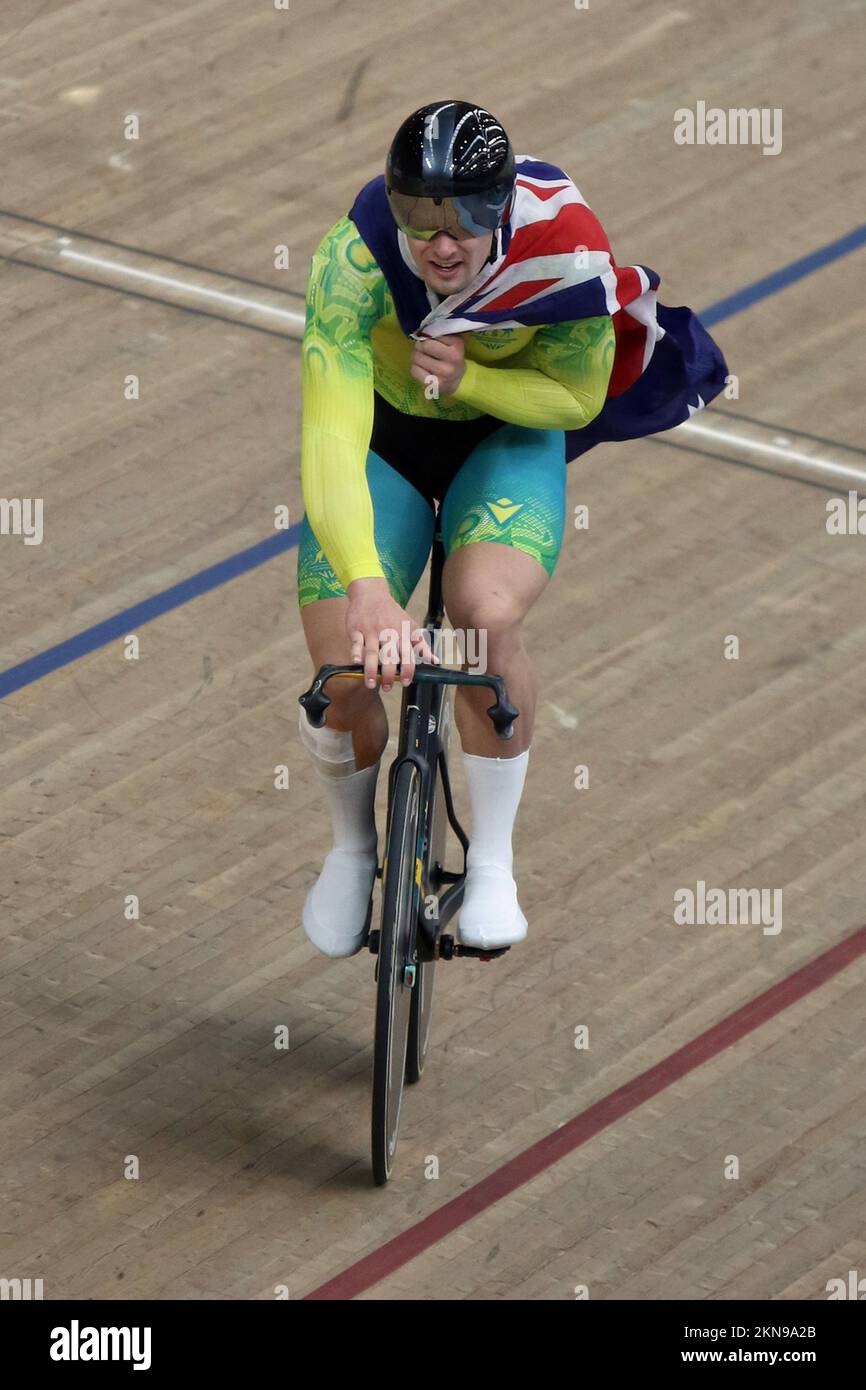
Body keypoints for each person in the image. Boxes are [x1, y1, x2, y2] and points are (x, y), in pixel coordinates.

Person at [297, 100, 727, 959]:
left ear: (505, 207)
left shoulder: (565, 249)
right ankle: (353, 848)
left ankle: (492, 856)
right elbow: (331, 433)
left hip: (505, 434)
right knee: (343, 670)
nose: (442, 243)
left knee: (483, 619)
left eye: (467, 219)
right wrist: (372, 594)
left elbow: (575, 401)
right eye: (420, 218)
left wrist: (471, 384)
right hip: (387, 436)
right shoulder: (354, 258)